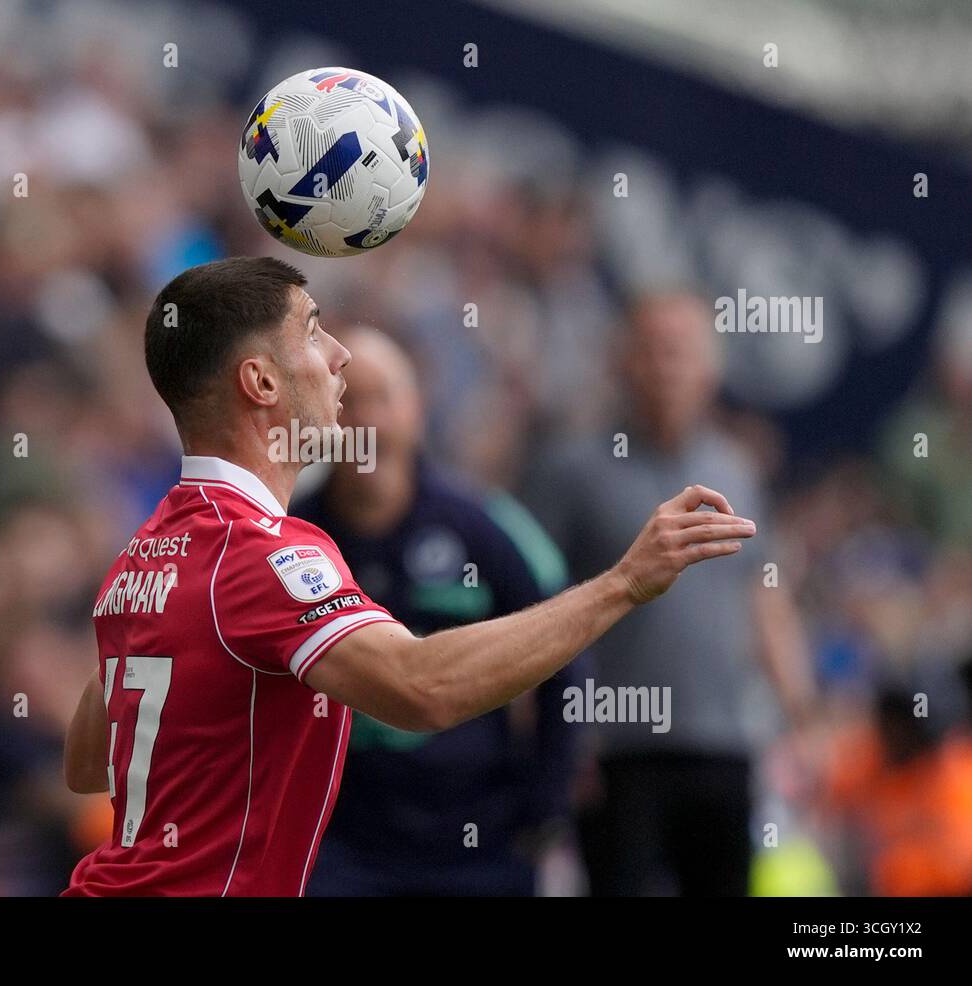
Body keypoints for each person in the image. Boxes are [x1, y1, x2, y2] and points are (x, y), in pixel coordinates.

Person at [62, 258, 757, 897]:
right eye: (313, 332)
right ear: (262, 381)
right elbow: (422, 687)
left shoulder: (149, 551)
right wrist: (624, 583)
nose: (339, 357)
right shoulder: (264, 554)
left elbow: (91, 763)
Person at [519, 291, 816, 896]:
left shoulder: (737, 469)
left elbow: (764, 598)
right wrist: (551, 734)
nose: (666, 367)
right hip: (617, 751)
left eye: (680, 351)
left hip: (725, 745)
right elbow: (532, 606)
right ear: (622, 361)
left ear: (711, 365)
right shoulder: (572, 471)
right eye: (650, 350)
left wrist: (802, 715)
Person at [292, 328, 577, 896]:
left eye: (383, 398)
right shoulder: (287, 539)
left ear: (416, 409)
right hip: (335, 852)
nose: (366, 422)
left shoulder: (487, 526)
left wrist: (544, 805)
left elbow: (565, 649)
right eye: (349, 401)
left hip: (477, 849)